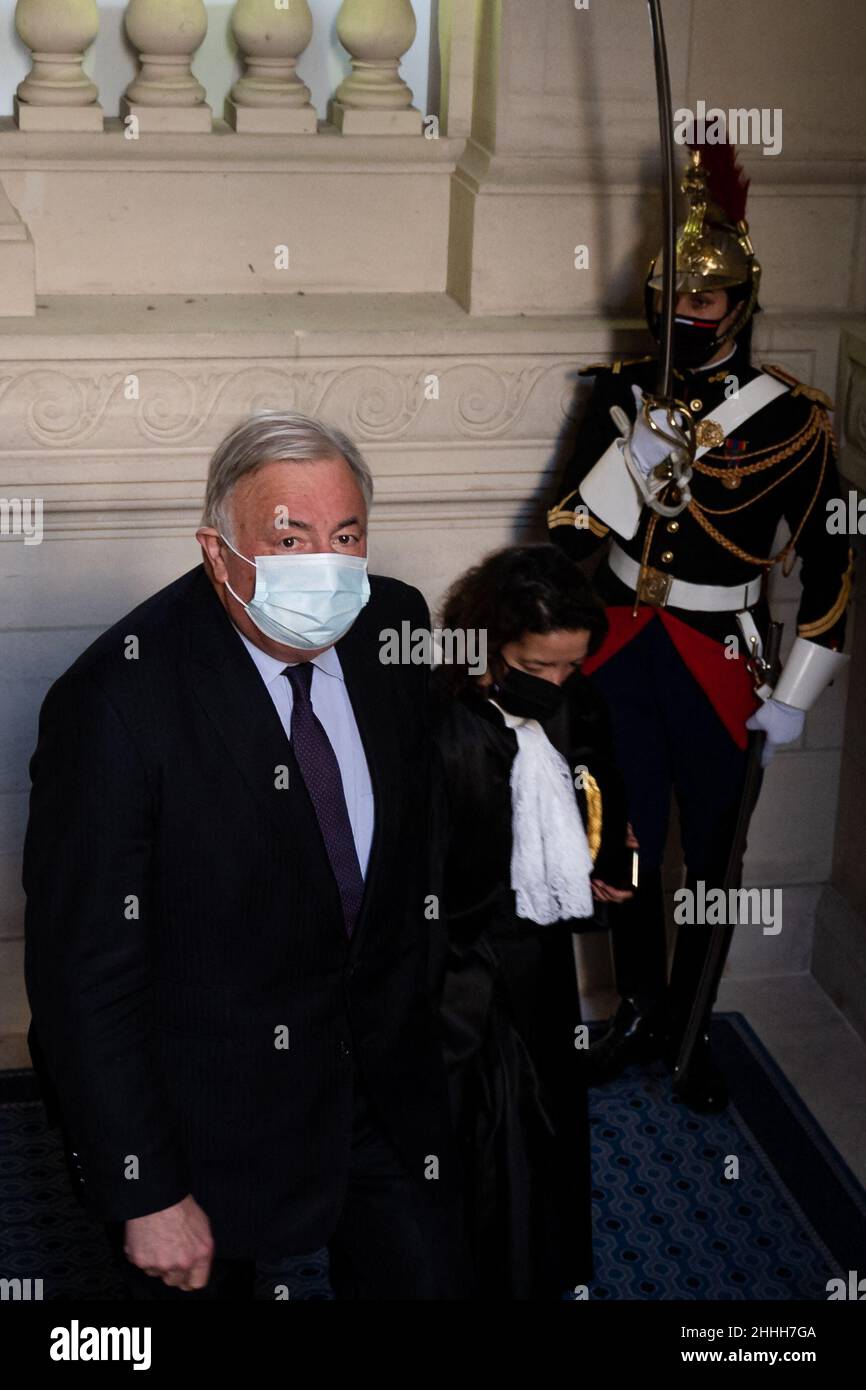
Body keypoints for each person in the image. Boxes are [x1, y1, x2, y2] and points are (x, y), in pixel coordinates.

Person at [23, 411, 463, 1300]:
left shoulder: (397, 628)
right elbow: (85, 977)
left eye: (346, 536)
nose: (327, 565)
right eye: (289, 537)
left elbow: (415, 859)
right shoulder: (113, 706)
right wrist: (144, 1189)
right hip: (210, 1122)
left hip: (384, 1096)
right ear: (219, 552)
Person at [547, 142, 853, 1112]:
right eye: (675, 295)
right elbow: (559, 542)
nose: (688, 314)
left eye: (707, 300)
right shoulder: (616, 395)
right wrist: (624, 463)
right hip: (621, 650)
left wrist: (796, 695)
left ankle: (688, 1031)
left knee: (712, 863)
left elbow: (835, 568)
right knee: (623, 843)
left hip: (721, 660)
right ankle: (635, 1006)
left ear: (740, 303)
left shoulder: (792, 423)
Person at [429, 544, 635, 1299]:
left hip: (540, 964)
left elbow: (593, 768)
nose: (557, 683)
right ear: (487, 643)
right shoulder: (446, 728)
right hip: (466, 977)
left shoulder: (573, 696)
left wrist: (605, 854)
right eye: (539, 665)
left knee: (545, 1137)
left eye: (571, 666)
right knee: (484, 1153)